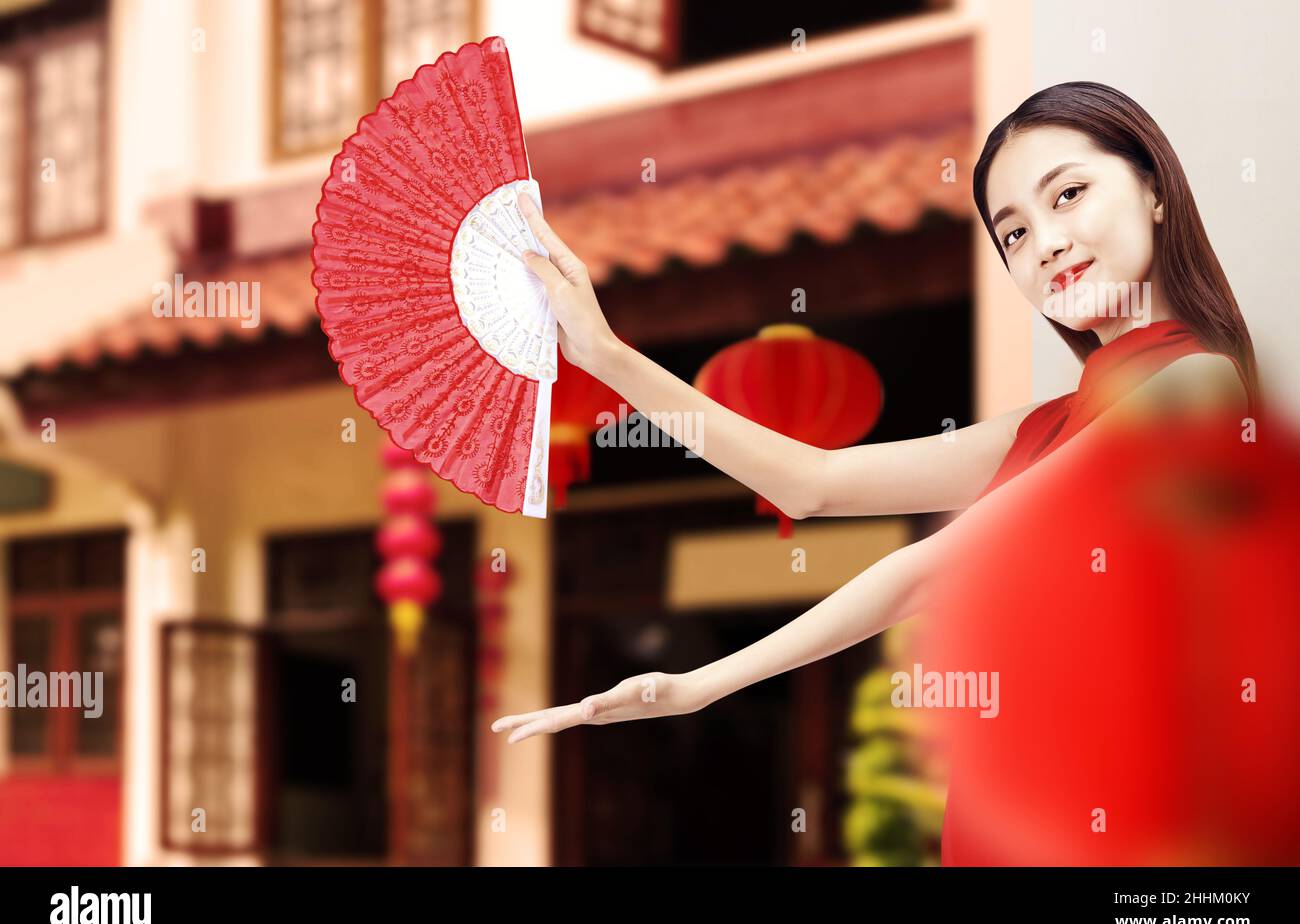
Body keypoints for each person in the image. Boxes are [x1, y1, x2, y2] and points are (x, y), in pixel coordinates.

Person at [491, 82, 1269, 863]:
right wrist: (604, 355)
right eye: (1016, 234)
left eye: (1068, 194)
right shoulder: (1051, 427)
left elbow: (928, 569)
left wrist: (703, 683)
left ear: (1154, 189)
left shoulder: (1196, 388)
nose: (1049, 244)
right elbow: (812, 483)